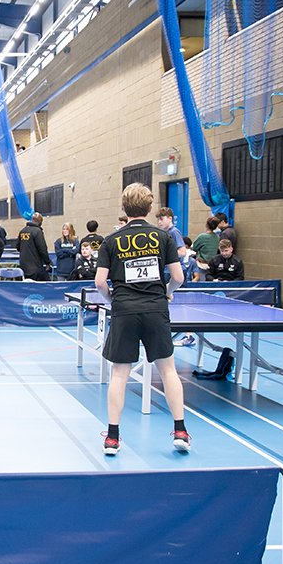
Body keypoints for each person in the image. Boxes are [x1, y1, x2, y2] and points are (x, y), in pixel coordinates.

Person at [95, 183, 189, 456]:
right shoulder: (164, 237)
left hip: (124, 310)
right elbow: (179, 278)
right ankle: (180, 432)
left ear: (123, 209)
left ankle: (112, 437)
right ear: (150, 209)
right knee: (168, 370)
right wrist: (167, 293)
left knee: (120, 374)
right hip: (155, 309)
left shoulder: (110, 241)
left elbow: (101, 282)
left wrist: (113, 300)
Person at [16, 212, 52, 281]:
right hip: (35, 268)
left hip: (23, 267)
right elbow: (42, 249)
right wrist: (47, 262)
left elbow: (17, 247)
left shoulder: (23, 231)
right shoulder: (37, 232)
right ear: (39, 221)